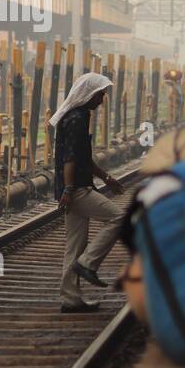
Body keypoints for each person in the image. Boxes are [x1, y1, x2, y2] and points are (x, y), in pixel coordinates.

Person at [51, 72, 125, 314]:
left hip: (74, 187)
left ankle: (70, 298)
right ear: (90, 95)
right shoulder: (77, 118)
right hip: (77, 188)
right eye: (100, 94)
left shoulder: (76, 116)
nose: (103, 98)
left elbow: (84, 158)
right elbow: (70, 157)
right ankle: (88, 263)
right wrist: (70, 190)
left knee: (74, 244)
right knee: (118, 218)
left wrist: (107, 178)